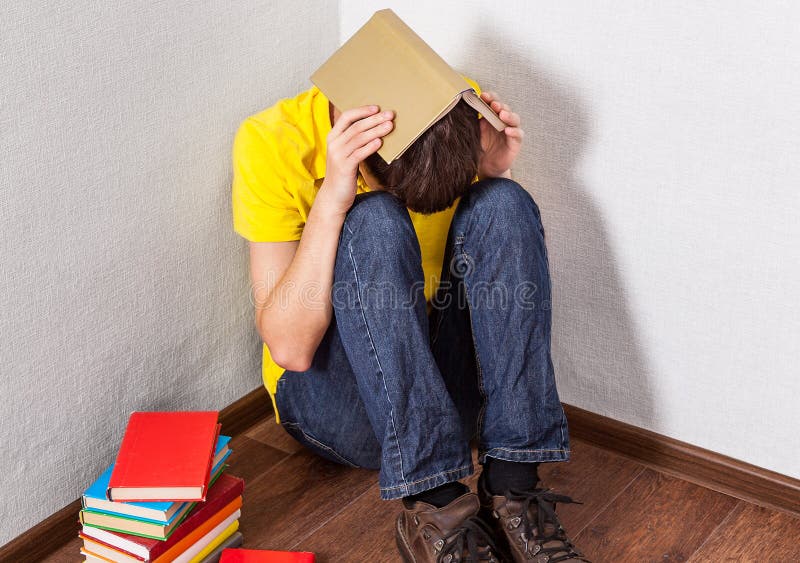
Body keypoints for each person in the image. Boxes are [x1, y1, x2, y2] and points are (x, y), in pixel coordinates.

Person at [232, 79, 590, 562]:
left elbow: (504, 299)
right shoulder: (273, 138)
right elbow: (290, 351)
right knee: (375, 219)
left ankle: (513, 487)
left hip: (445, 402)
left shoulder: (457, 113)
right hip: (340, 408)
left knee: (503, 202)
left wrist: (493, 172)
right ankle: (436, 508)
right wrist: (333, 200)